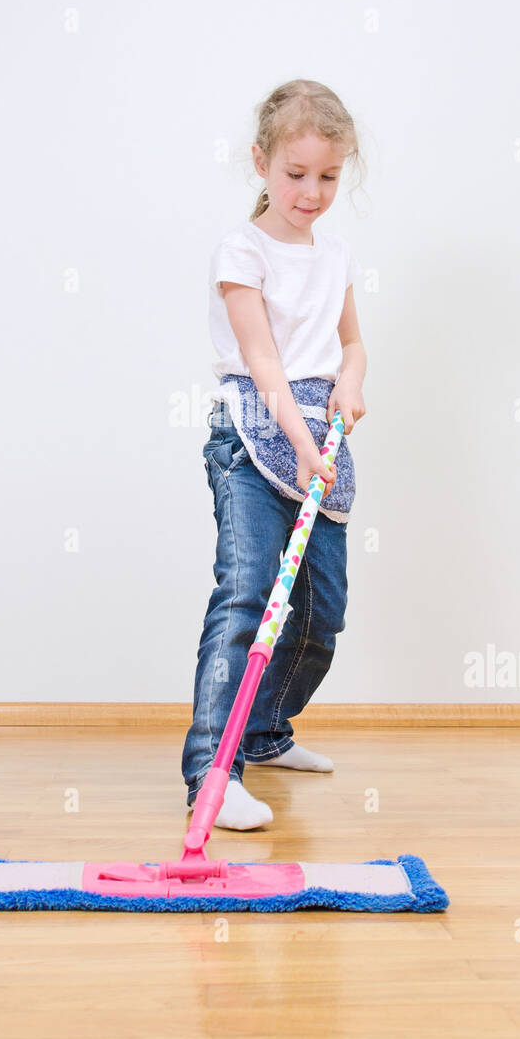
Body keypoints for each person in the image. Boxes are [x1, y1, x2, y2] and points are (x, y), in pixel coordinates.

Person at [181, 78, 368, 829]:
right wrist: (298, 440)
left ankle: (263, 730)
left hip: (322, 433)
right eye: (296, 174)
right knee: (248, 594)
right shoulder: (242, 251)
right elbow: (262, 362)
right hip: (254, 436)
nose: (312, 191)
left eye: (328, 176)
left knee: (321, 612)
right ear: (260, 162)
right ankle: (211, 772)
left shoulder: (335, 257)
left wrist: (350, 386)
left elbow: (349, 344)